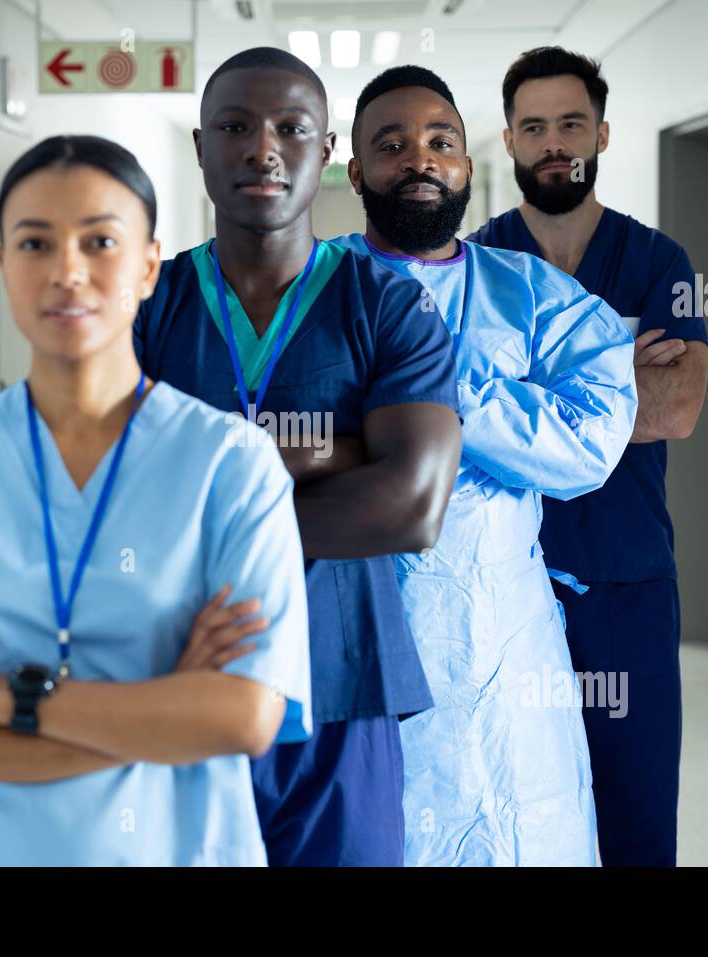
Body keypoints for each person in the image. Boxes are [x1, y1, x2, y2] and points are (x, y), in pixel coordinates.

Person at [0, 134, 311, 866]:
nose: (67, 271)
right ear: (3, 266)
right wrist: (166, 705)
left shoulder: (231, 464)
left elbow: (244, 717)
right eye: (35, 244)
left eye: (100, 241)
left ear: (149, 267)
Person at [135, 47, 462, 866]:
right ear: (202, 148)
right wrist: (337, 451)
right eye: (235, 127)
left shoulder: (386, 306)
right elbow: (107, 484)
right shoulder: (147, 306)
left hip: (341, 683)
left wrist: (212, 492)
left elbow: (414, 507)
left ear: (329, 155)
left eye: (292, 127)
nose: (263, 148)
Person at [332, 66, 636, 866]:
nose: (420, 160)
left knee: (513, 832)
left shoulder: (535, 295)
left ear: (469, 165)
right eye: (391, 145)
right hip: (348, 625)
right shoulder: (314, 285)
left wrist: (437, 383)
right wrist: (508, 403)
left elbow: (590, 443)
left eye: (442, 142)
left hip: (498, 643)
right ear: (355, 169)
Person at [467, 46, 708, 866]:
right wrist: (612, 383)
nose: (553, 142)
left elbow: (678, 407)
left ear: (602, 132)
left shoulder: (660, 262)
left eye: (571, 122)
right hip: (502, 586)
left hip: (626, 586)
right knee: (514, 820)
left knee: (636, 820)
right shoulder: (475, 265)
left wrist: (520, 394)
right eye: (533, 126)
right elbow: (445, 411)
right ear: (508, 141)